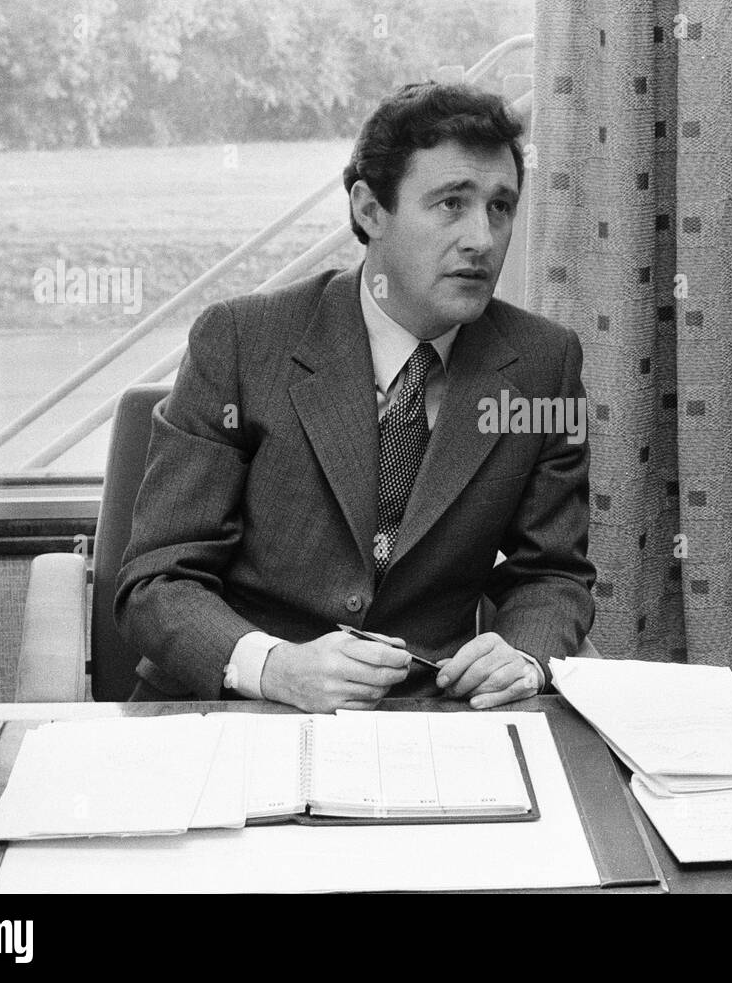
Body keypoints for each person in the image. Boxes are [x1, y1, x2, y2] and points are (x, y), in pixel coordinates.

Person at [114, 81, 595, 713]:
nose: (482, 237)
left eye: (500, 207)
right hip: (238, 709)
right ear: (370, 211)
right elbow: (156, 581)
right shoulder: (240, 342)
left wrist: (523, 652)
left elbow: (552, 573)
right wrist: (274, 667)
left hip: (431, 716)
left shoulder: (543, 365)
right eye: (452, 204)